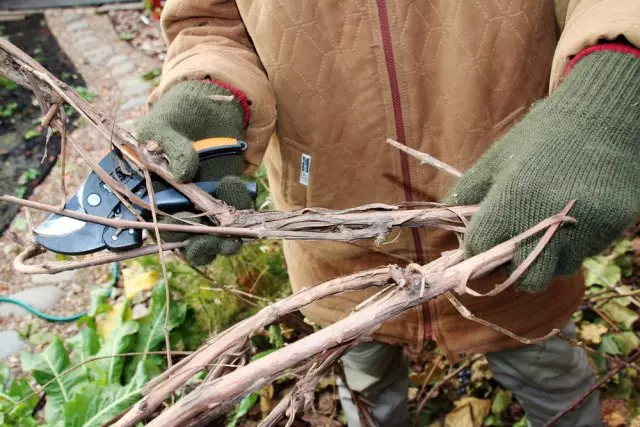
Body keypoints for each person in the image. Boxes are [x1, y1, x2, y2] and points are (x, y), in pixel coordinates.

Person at [135, 1, 640, 426]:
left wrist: (613, 83)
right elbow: (211, 21)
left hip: (509, 207)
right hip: (335, 226)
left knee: (547, 371)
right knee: (368, 382)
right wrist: (211, 88)